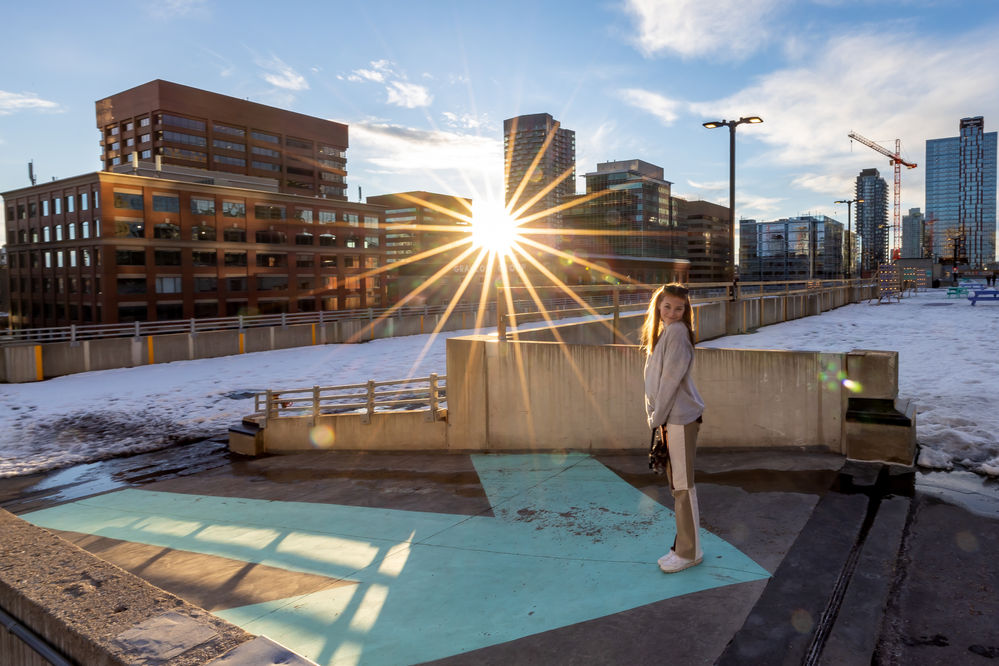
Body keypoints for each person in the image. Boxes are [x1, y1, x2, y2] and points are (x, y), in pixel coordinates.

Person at [640, 283, 706, 574]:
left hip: (678, 418)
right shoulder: (666, 332)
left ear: (685, 311)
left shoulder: (677, 333)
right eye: (667, 306)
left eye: (679, 308)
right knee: (678, 486)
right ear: (658, 306)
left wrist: (656, 418)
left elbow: (669, 382)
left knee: (682, 487)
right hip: (672, 418)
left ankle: (690, 552)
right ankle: (684, 547)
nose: (672, 312)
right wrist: (657, 417)